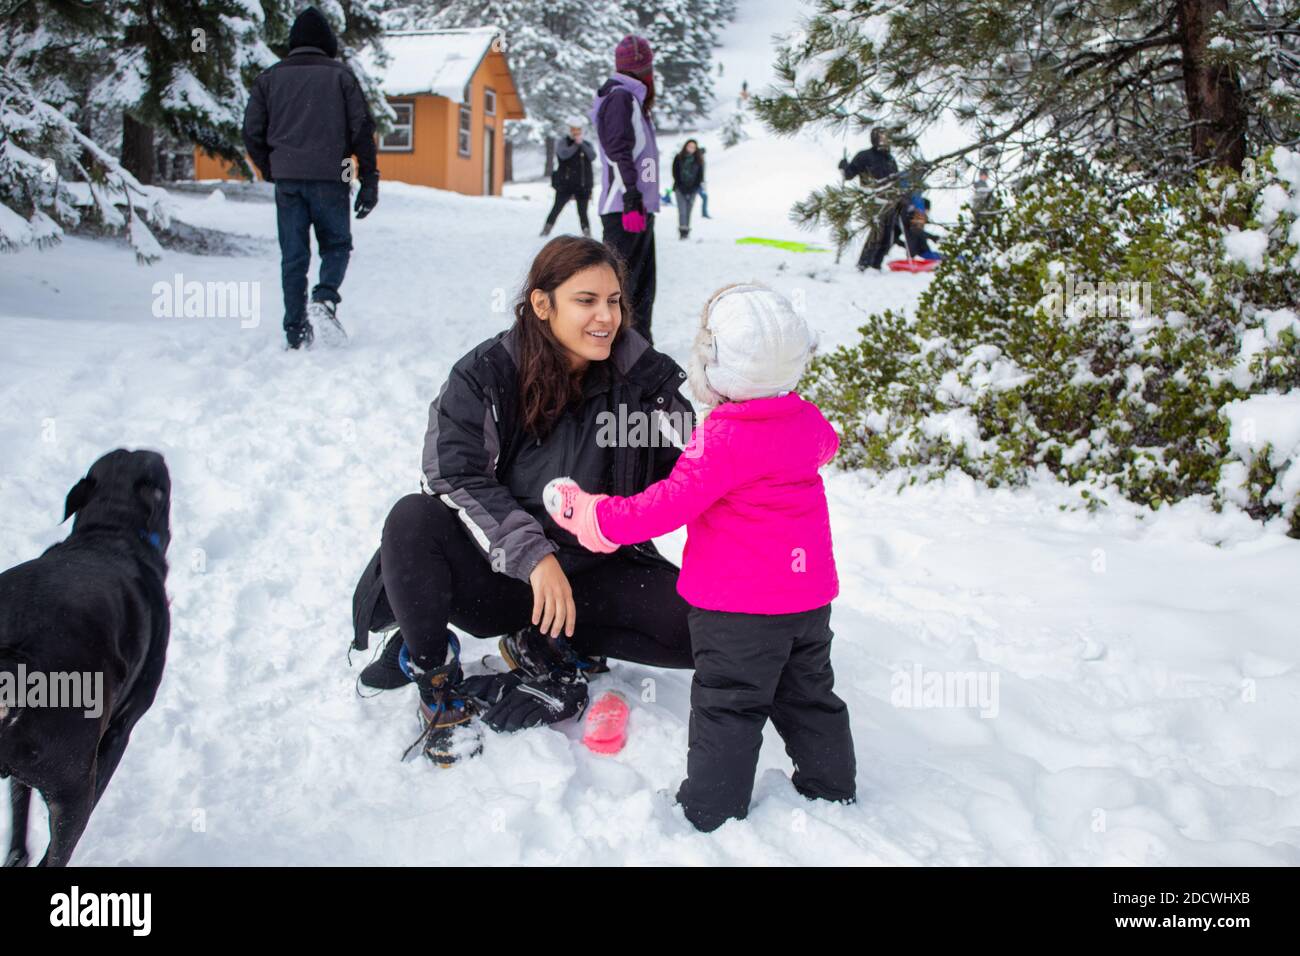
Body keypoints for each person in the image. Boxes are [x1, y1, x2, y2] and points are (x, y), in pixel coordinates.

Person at [353, 237, 696, 765]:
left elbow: (697, 467)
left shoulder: (636, 380)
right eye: (586, 300)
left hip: (593, 574)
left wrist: (662, 383)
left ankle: (547, 645)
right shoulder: (487, 374)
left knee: (705, 631)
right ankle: (434, 676)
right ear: (543, 304)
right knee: (412, 517)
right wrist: (534, 556)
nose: (606, 316)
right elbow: (452, 471)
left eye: (614, 300)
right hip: (499, 577)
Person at [545, 283, 857, 832]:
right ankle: (831, 786)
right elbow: (825, 447)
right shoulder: (806, 421)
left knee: (729, 707)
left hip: (736, 609)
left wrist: (594, 514)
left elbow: (662, 508)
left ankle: (711, 809)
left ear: (717, 367)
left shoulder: (723, 439)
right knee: (809, 693)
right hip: (807, 601)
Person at [242, 6, 378, 350]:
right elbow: (362, 128)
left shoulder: (269, 78)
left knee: (294, 256)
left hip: (288, 180)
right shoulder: (341, 76)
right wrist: (369, 179)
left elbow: (251, 132)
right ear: (327, 43)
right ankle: (325, 295)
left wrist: (272, 168)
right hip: (331, 177)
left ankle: (295, 331)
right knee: (336, 245)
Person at [592, 34, 660, 343]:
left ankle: (639, 358)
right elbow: (617, 148)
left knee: (640, 294)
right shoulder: (620, 97)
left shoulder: (629, 98)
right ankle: (622, 362)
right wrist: (632, 195)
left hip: (636, 207)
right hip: (625, 209)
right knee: (625, 294)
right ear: (644, 68)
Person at [839, 127, 899, 272]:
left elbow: (896, 180)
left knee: (887, 236)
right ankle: (864, 264)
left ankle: (876, 265)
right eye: (881, 137)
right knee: (876, 233)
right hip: (873, 200)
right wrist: (844, 166)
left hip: (890, 201)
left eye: (887, 137)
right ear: (874, 139)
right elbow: (849, 174)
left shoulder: (891, 159)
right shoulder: (864, 156)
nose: (885, 140)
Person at [541, 117, 596, 238]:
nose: (576, 132)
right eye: (573, 129)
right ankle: (546, 229)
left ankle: (587, 233)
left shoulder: (586, 144)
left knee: (583, 212)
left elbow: (593, 156)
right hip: (565, 185)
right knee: (557, 208)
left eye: (578, 129)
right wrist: (576, 145)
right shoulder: (563, 142)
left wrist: (581, 144)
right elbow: (564, 155)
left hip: (583, 185)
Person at [671, 139, 706, 239]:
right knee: (682, 210)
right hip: (679, 188)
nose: (691, 149)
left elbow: (700, 176)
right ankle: (682, 231)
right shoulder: (678, 158)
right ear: (685, 146)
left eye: (693, 147)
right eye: (690, 146)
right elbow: (675, 173)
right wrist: (681, 186)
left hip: (693, 189)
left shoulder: (699, 160)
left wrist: (694, 187)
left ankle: (687, 230)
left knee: (689, 210)